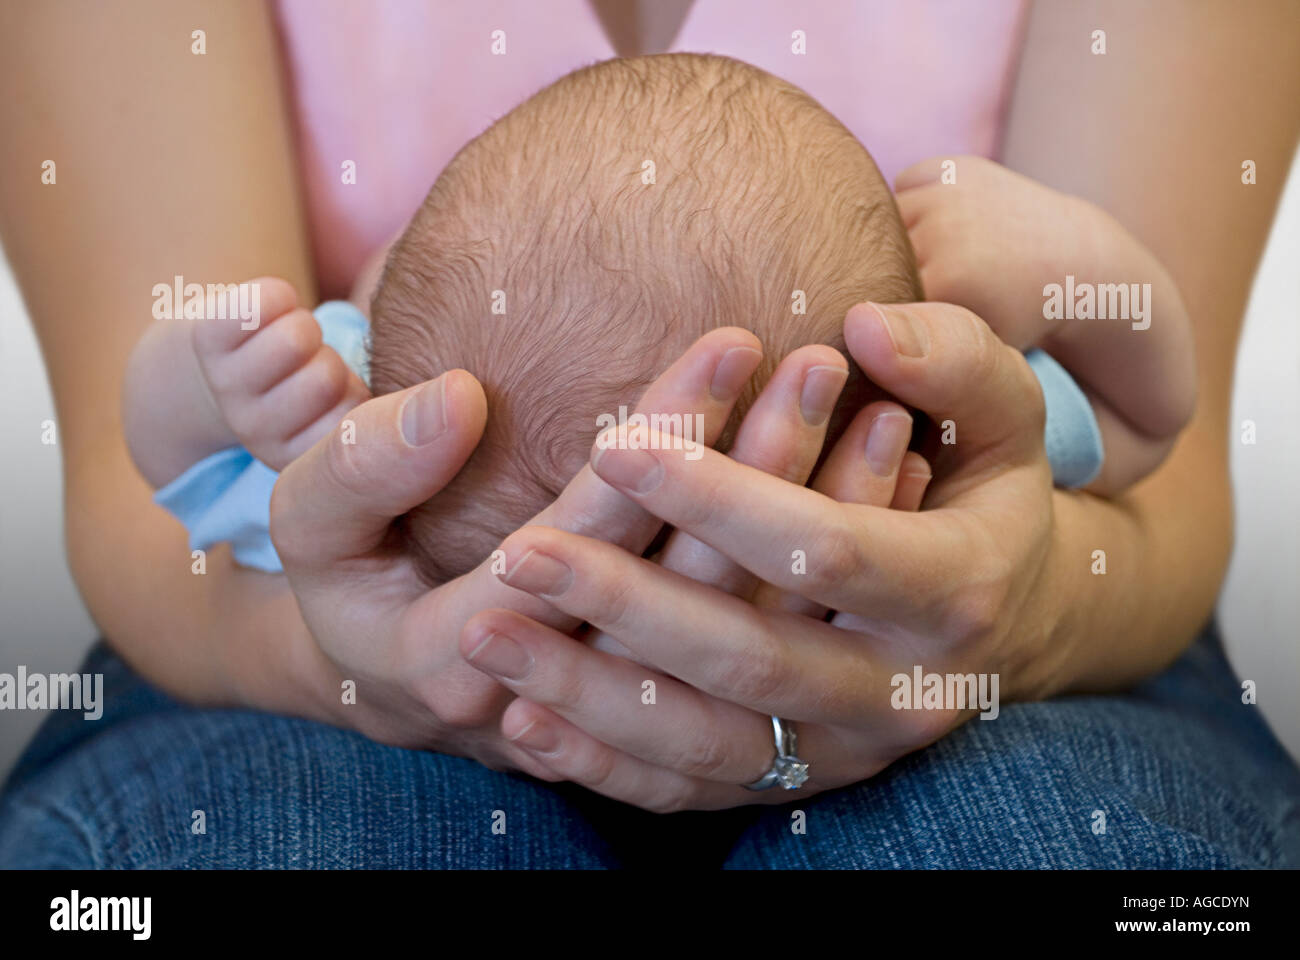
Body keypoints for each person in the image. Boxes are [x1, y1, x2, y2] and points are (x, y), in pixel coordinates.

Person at [1, 1, 1297, 868]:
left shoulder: (357, 409)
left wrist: (217, 375)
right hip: (327, 678)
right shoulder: (939, 425)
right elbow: (1149, 419)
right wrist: (1071, 267)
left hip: (983, 667)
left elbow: (176, 474)